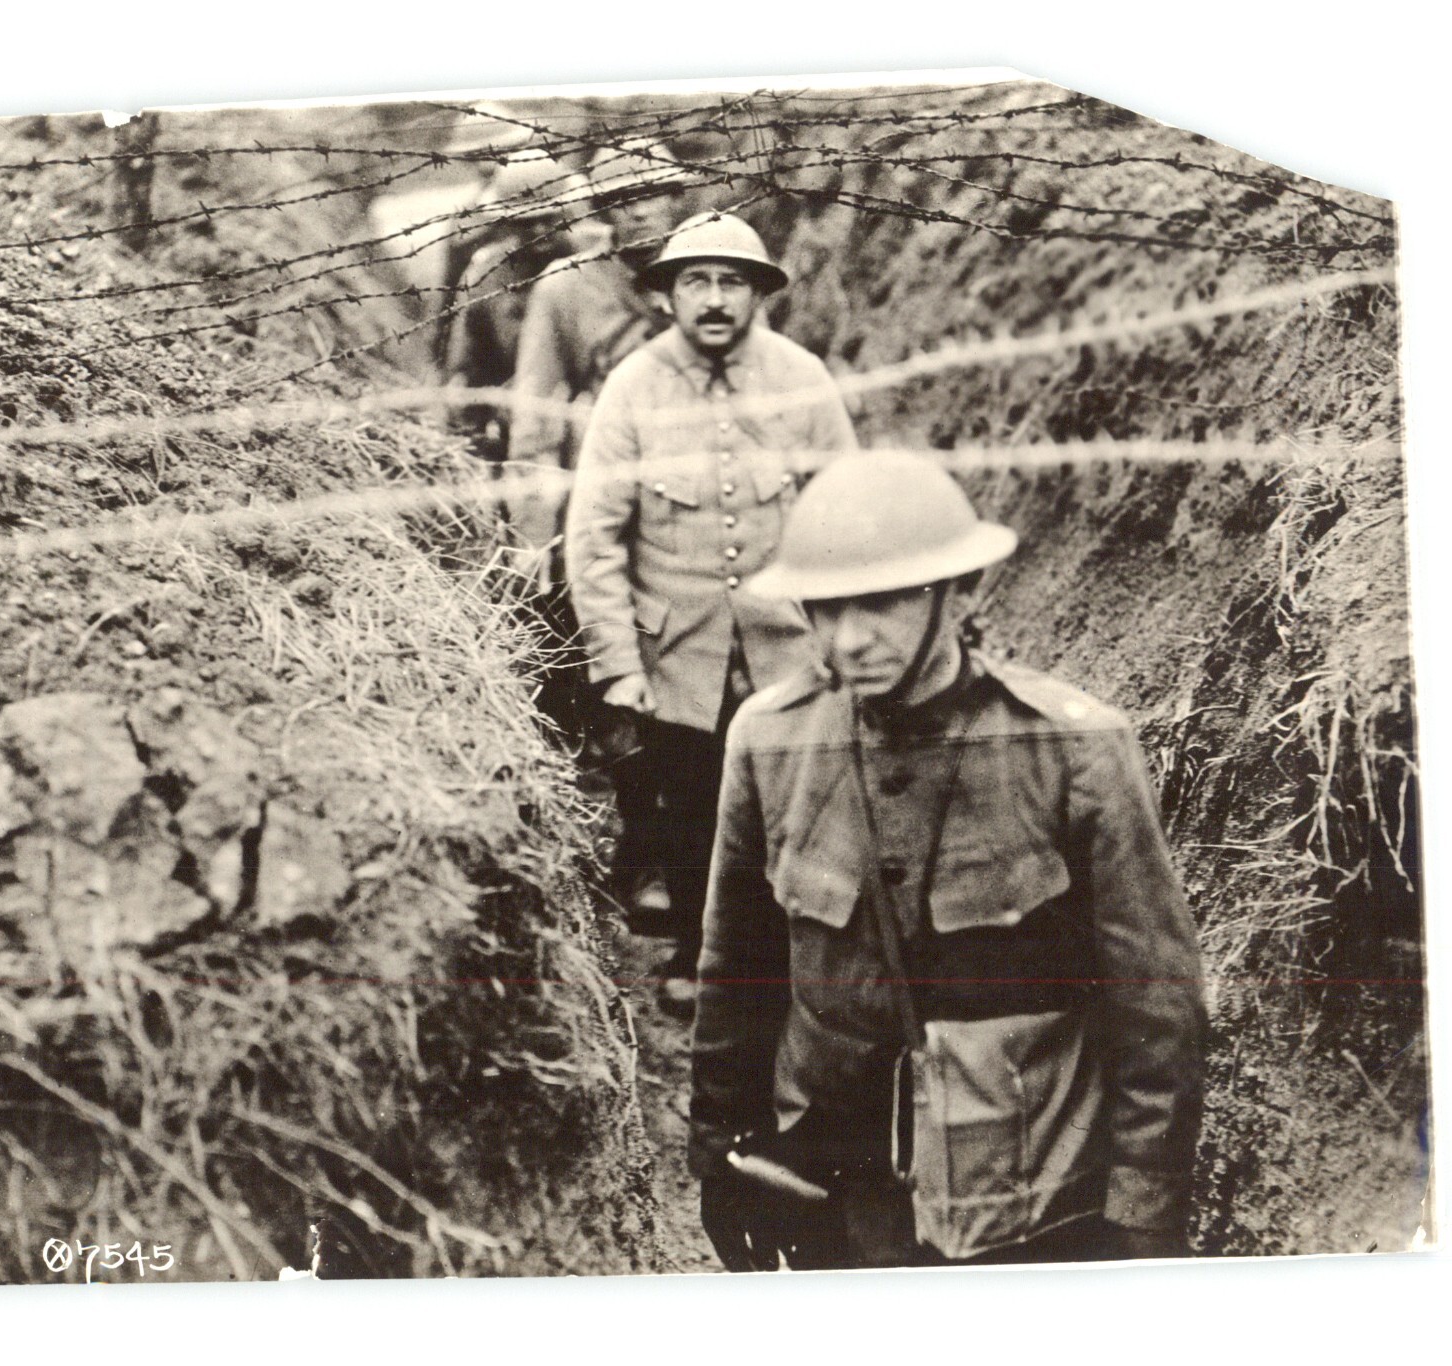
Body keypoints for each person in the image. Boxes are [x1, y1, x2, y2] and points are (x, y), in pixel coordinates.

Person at [690, 450, 1207, 1269]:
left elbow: (1155, 1005)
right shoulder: (770, 739)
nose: (849, 639)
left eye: (883, 604)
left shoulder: (1071, 748)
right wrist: (720, 1158)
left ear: (956, 594)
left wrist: (1145, 1211)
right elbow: (737, 973)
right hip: (837, 1196)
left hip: (1029, 1211)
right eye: (823, 609)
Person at [564, 211, 858, 1009]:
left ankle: (799, 965)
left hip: (786, 652)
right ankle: (702, 958)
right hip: (676, 658)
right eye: (696, 281)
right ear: (666, 297)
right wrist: (617, 666)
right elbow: (593, 537)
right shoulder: (633, 387)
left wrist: (846, 648)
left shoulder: (802, 381)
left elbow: (847, 516)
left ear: (760, 293)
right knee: (691, 810)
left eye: (733, 281)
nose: (715, 299)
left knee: (797, 811)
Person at [505, 139, 691, 923]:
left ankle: (701, 859)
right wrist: (536, 535)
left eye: (658, 194)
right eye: (631, 198)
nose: (647, 209)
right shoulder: (566, 292)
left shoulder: (706, 277)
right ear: (606, 211)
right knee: (619, 681)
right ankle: (644, 854)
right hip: (600, 507)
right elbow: (538, 422)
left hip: (689, 508)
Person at [442, 152, 588, 464]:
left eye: (549, 218)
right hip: (517, 423)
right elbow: (466, 370)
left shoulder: (597, 260)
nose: (539, 231)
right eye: (526, 221)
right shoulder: (487, 273)